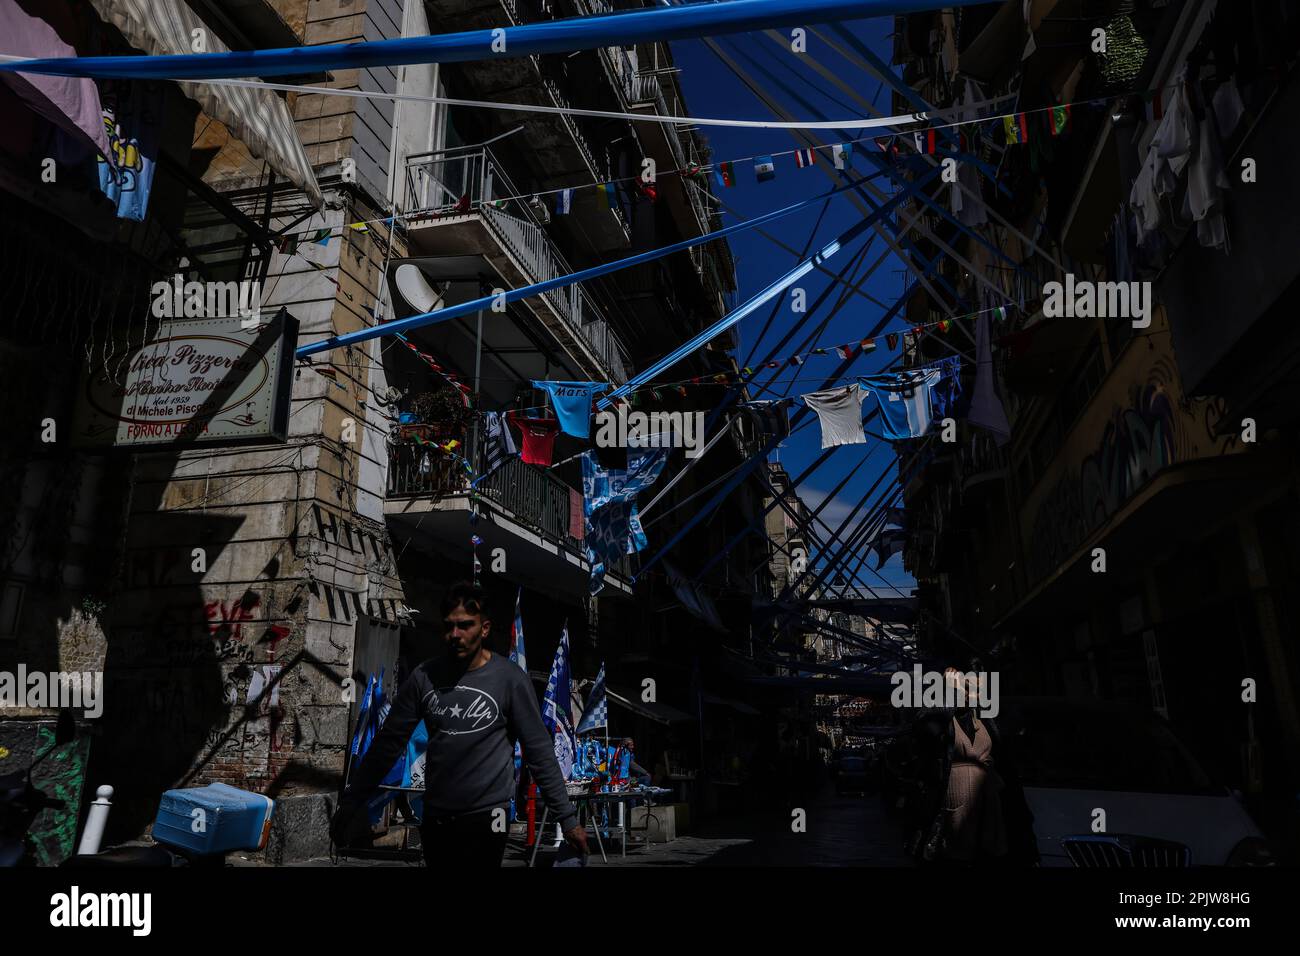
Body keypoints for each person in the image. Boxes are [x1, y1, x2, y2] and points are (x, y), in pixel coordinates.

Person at [331, 582, 589, 867]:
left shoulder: (510, 680)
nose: (456, 634)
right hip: (437, 818)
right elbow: (387, 744)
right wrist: (352, 801)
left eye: (465, 625)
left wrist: (567, 819)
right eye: (450, 626)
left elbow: (539, 752)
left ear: (485, 629)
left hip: (488, 818)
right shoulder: (423, 677)